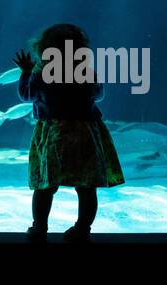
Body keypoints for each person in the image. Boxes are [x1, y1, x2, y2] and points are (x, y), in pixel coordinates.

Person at [14, 22, 124, 241]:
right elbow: (99, 94)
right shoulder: (86, 72)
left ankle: (39, 227)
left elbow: (27, 96)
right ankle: (83, 229)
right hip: (85, 132)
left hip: (55, 133)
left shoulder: (42, 73)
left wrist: (26, 72)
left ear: (44, 49)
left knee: (46, 185)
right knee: (86, 186)